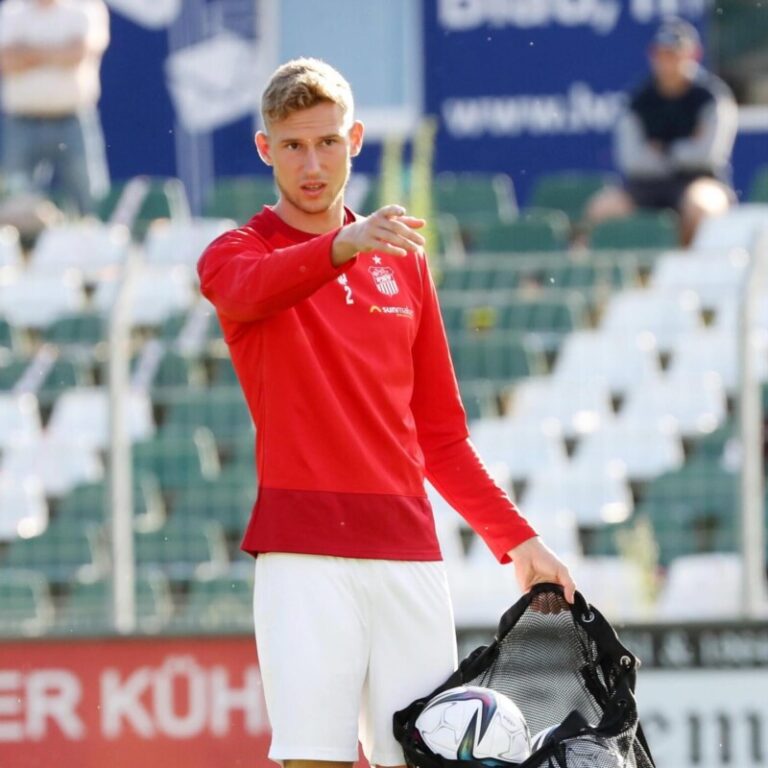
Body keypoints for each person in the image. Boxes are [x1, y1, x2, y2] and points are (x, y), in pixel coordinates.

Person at [198, 58, 575, 768]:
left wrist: (518, 541)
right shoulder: (236, 253)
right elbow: (246, 293)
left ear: (357, 138)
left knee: (428, 760)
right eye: (293, 145)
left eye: (329, 142)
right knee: (317, 760)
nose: (312, 163)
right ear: (263, 148)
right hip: (303, 554)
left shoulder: (402, 260)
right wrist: (341, 246)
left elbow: (440, 436)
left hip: (408, 554)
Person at [586, 17, 738, 246]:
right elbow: (631, 160)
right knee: (601, 210)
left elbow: (707, 155)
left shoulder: (712, 97)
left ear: (693, 55)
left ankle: (686, 270)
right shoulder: (638, 100)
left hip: (700, 179)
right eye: (662, 54)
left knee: (700, 207)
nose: (668, 62)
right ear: (653, 55)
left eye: (675, 54)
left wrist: (662, 150)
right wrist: (682, 150)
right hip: (646, 186)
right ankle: (622, 276)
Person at [0, 0, 110, 216]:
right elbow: (6, 60)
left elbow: (78, 54)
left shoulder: (86, 8)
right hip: (21, 123)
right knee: (14, 204)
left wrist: (27, 52)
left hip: (73, 121)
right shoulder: (11, 11)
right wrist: (58, 52)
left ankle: (97, 249)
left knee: (90, 201)